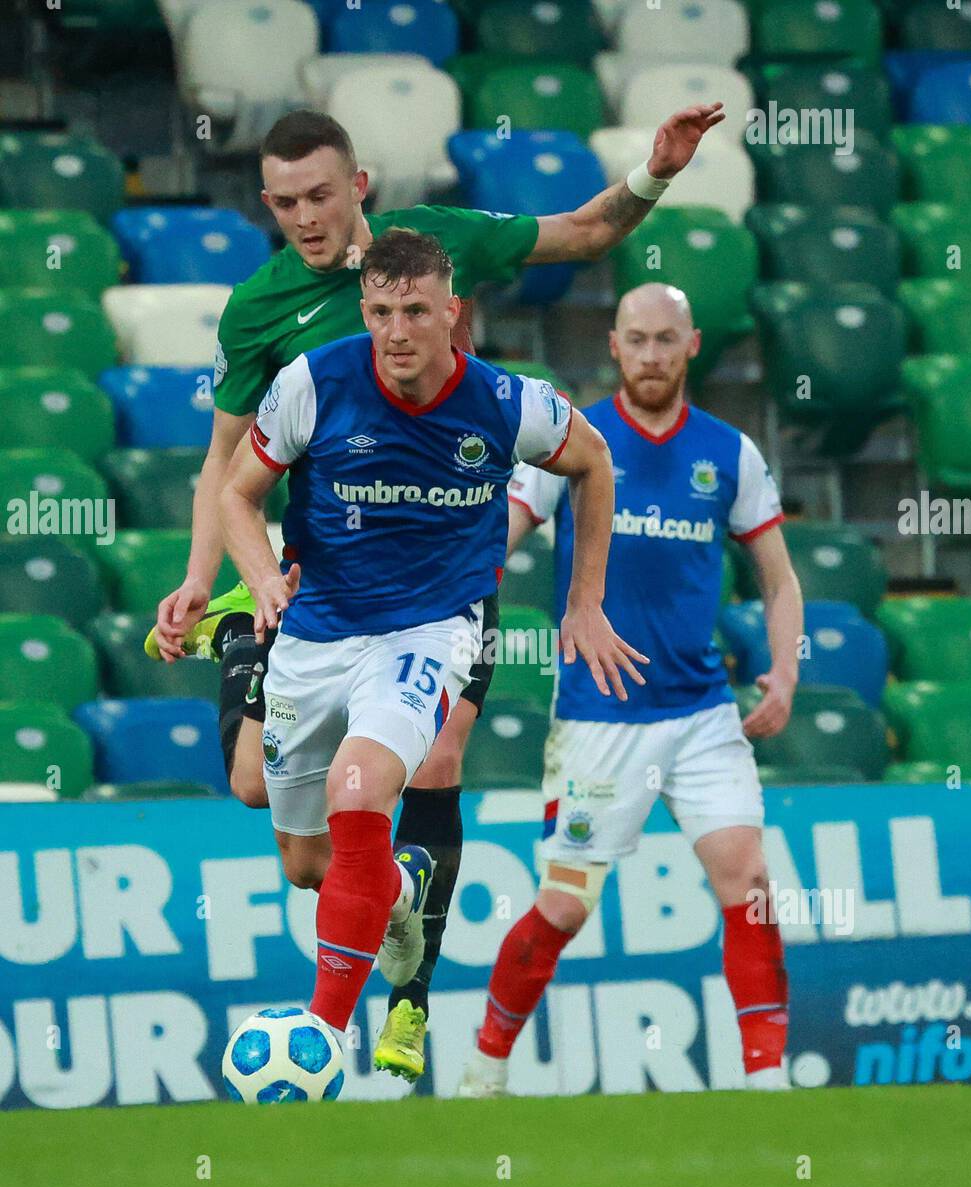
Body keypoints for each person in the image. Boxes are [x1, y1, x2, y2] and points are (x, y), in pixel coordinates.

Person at [146, 103, 724, 1064]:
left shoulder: (442, 248)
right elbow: (224, 465)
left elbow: (584, 230)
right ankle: (397, 899)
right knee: (275, 812)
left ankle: (403, 1003)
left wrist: (655, 173)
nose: (304, 217)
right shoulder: (260, 312)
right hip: (320, 581)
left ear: (359, 185)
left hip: (446, 582)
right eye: (284, 202)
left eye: (320, 195)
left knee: (422, 763)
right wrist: (204, 579)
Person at [218, 228, 647, 1077]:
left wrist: (585, 599)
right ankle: (401, 881)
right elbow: (237, 493)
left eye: (417, 311)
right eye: (381, 312)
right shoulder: (313, 383)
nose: (397, 331)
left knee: (359, 788)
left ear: (452, 312)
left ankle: (322, 1038)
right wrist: (262, 577)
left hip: (426, 633)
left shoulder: (504, 402)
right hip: (315, 634)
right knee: (309, 866)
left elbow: (594, 463)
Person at [458, 282, 803, 1098]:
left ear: (691, 347)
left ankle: (767, 1081)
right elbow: (496, 539)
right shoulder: (575, 442)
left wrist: (786, 671)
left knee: (747, 885)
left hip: (703, 712)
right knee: (566, 908)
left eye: (665, 340)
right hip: (596, 717)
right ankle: (485, 1064)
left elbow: (781, 580)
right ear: (613, 347)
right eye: (636, 340)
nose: (651, 355)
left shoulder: (730, 455)